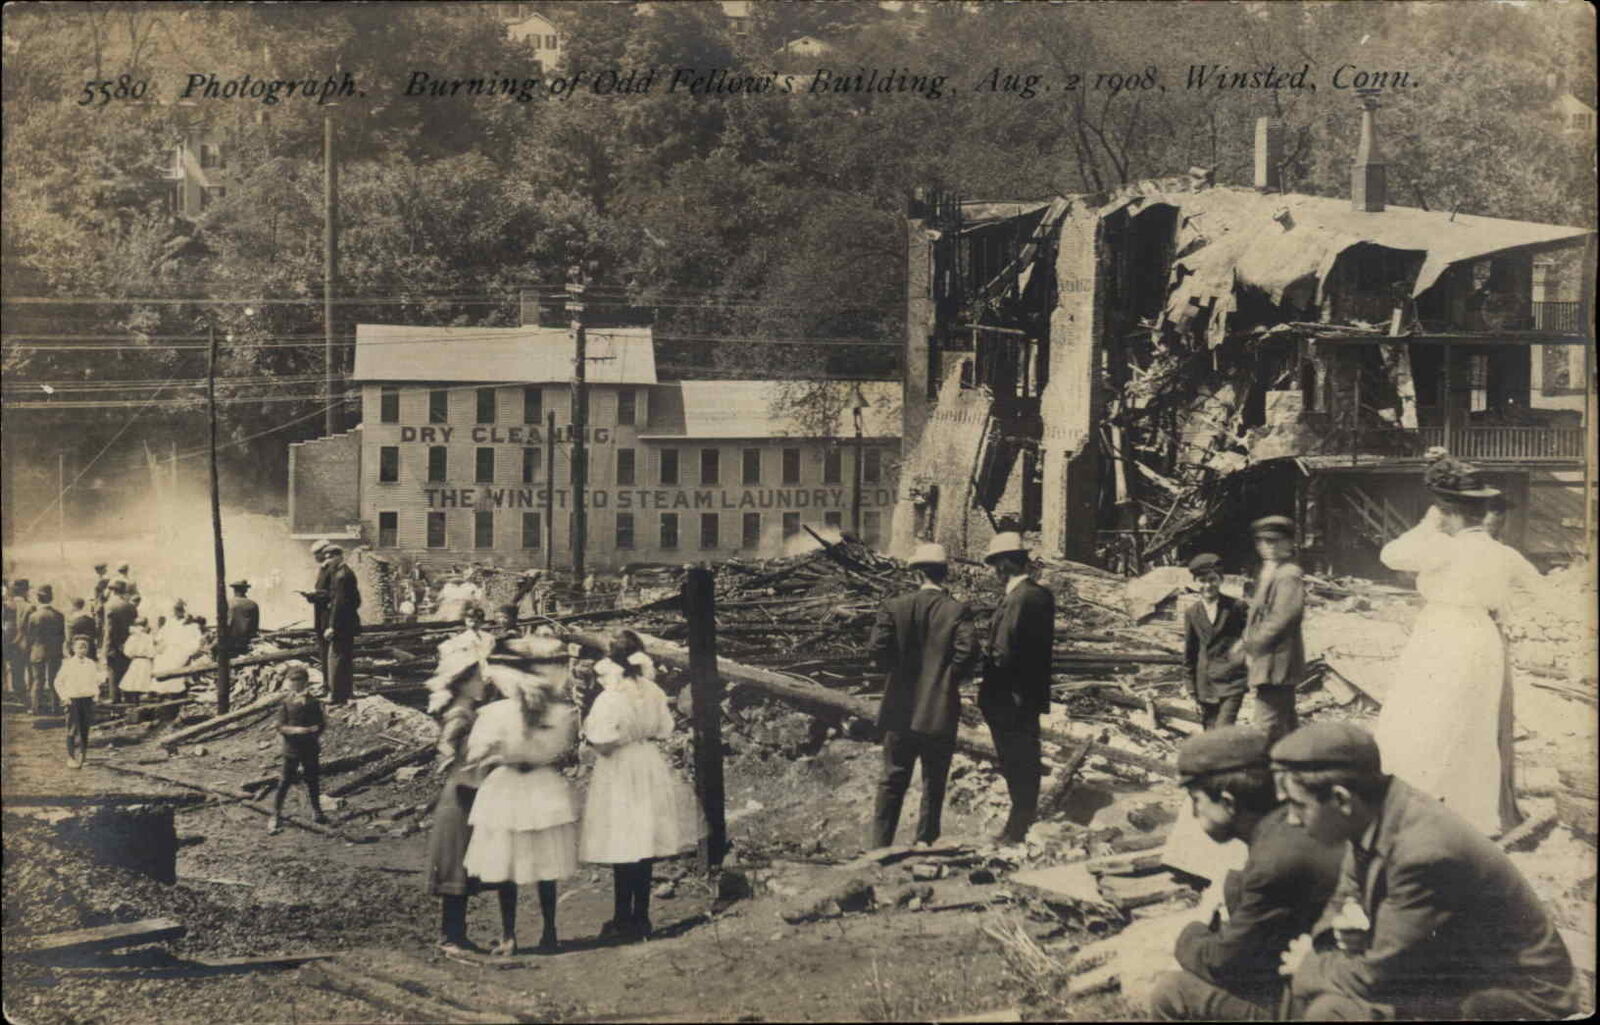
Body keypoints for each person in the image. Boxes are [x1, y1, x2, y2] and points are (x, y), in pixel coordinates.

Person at [1271, 722, 1580, 1020]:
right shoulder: (1372, 811)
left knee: (1331, 1011)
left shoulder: (1423, 851)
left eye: (1299, 805)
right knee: (1311, 990)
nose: (1293, 820)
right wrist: (1328, 941)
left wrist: (1310, 967)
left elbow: (1379, 976)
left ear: (1341, 799)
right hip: (1453, 970)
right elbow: (1344, 898)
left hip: (1515, 998)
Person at [1374, 458, 1539, 836]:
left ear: (1449, 513)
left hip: (1443, 632)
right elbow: (1538, 589)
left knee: (1426, 716)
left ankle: (1416, 805)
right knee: (1474, 723)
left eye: (1443, 512)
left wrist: (1426, 525)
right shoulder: (1502, 553)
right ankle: (1474, 814)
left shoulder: (1444, 548)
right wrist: (1505, 611)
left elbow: (1390, 555)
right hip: (1483, 635)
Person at [1148, 726, 1344, 1020]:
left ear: (1228, 802)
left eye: (1196, 800)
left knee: (1172, 991)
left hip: (1334, 1004)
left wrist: (1193, 930)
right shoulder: (1294, 826)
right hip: (1343, 981)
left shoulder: (1275, 861)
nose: (1194, 813)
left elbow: (1226, 964)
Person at [580, 630, 704, 942]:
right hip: (648, 762)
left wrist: (600, 743)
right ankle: (641, 916)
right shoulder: (652, 691)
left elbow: (602, 740)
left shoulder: (610, 697)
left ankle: (623, 918)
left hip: (620, 765)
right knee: (644, 838)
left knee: (623, 838)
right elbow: (664, 728)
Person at [460, 637, 579, 955]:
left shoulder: (495, 713)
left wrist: (496, 755)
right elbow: (562, 747)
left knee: (506, 864)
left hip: (508, 785)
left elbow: (476, 753)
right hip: (543, 784)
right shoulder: (557, 712)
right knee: (546, 865)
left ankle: (509, 936)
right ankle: (550, 931)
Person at [866, 542, 978, 849]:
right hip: (939, 709)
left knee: (892, 778)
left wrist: (896, 673)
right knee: (934, 780)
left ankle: (879, 846)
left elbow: (876, 649)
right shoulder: (956, 610)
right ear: (944, 574)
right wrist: (946, 680)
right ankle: (925, 843)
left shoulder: (894, 607)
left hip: (899, 707)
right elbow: (968, 652)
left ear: (916, 574)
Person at [425, 643, 504, 954]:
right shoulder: (460, 713)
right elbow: (445, 750)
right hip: (460, 794)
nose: (483, 681)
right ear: (463, 682)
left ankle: (457, 934)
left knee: (462, 862)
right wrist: (467, 765)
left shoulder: (470, 710)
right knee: (455, 862)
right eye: (477, 677)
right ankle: (449, 937)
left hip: (468, 792)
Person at [978, 532, 1056, 845]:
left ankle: (1019, 824)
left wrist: (984, 664)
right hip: (1024, 693)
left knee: (1017, 758)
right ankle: (1021, 818)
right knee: (1023, 756)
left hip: (1010, 696)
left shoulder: (1021, 597)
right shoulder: (1036, 594)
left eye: (996, 564)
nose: (995, 571)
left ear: (1006, 564)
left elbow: (1004, 651)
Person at [1241, 516, 1304, 742]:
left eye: (1274, 541)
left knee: (1265, 727)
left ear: (1289, 543)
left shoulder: (1288, 574)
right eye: (1262, 541)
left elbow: (1282, 617)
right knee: (1285, 723)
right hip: (1273, 662)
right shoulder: (1271, 571)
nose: (1267, 547)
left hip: (1276, 663)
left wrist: (1249, 645)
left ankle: (1263, 764)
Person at [1182, 553, 1248, 731]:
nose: (1208, 585)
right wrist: (1191, 689)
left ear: (1221, 580)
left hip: (1232, 682)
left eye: (1212, 579)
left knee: (1223, 730)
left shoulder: (1236, 607)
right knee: (1210, 733)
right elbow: (1190, 652)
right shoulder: (1192, 612)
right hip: (1205, 683)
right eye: (1202, 580)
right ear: (1195, 582)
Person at [269, 666, 328, 834]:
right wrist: (296, 730)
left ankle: (317, 811)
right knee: (285, 781)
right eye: (292, 681)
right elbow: (280, 726)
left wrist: (313, 731)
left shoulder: (314, 702)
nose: (295, 684)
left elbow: (321, 724)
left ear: (305, 682)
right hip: (291, 748)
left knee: (312, 779)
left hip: (310, 747)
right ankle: (275, 814)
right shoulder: (286, 702)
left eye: (298, 681)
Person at [314, 544, 361, 704]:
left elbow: (339, 604)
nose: (329, 561)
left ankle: (335, 695)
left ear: (340, 556)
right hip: (347, 622)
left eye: (331, 557)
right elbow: (356, 600)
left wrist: (332, 626)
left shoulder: (342, 576)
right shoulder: (343, 572)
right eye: (327, 558)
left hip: (341, 624)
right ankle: (346, 693)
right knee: (344, 658)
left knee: (335, 657)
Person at [55, 635, 105, 768]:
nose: (82, 650)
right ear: (73, 648)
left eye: (85, 647)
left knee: (84, 729)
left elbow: (96, 681)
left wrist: (95, 694)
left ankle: (83, 756)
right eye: (80, 647)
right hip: (73, 700)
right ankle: (71, 757)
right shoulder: (68, 664)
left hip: (87, 699)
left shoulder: (91, 663)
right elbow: (58, 682)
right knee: (72, 729)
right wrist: (65, 697)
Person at [24, 585, 66, 716]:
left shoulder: (34, 616)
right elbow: (62, 636)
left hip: (38, 650)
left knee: (38, 680)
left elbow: (30, 636)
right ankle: (56, 707)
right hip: (55, 651)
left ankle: (36, 708)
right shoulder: (59, 615)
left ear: (38, 598)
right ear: (51, 598)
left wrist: (30, 649)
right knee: (55, 680)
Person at [100, 579, 137, 702]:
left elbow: (109, 630)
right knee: (127, 670)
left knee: (113, 671)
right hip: (128, 644)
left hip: (114, 645)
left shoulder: (109, 606)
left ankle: (115, 698)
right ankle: (128, 697)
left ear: (112, 591)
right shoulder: (130, 606)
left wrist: (106, 649)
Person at [5, 579, 33, 704]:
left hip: (8, 640)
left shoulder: (7, 605)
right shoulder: (29, 606)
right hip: (24, 642)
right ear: (25, 591)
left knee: (15, 668)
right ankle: (27, 695)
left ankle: (17, 693)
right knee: (27, 669)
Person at [118, 618, 158, 699]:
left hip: (135, 661)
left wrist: (132, 655)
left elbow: (127, 651)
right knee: (143, 681)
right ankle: (140, 698)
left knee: (134, 681)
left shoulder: (132, 637)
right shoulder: (148, 637)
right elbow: (152, 651)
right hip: (145, 661)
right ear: (146, 625)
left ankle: (135, 698)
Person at [225, 579, 260, 656]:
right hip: (247, 642)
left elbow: (225, 624)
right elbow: (255, 626)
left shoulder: (229, 603)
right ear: (246, 590)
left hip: (230, 642)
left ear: (234, 590)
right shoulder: (253, 604)